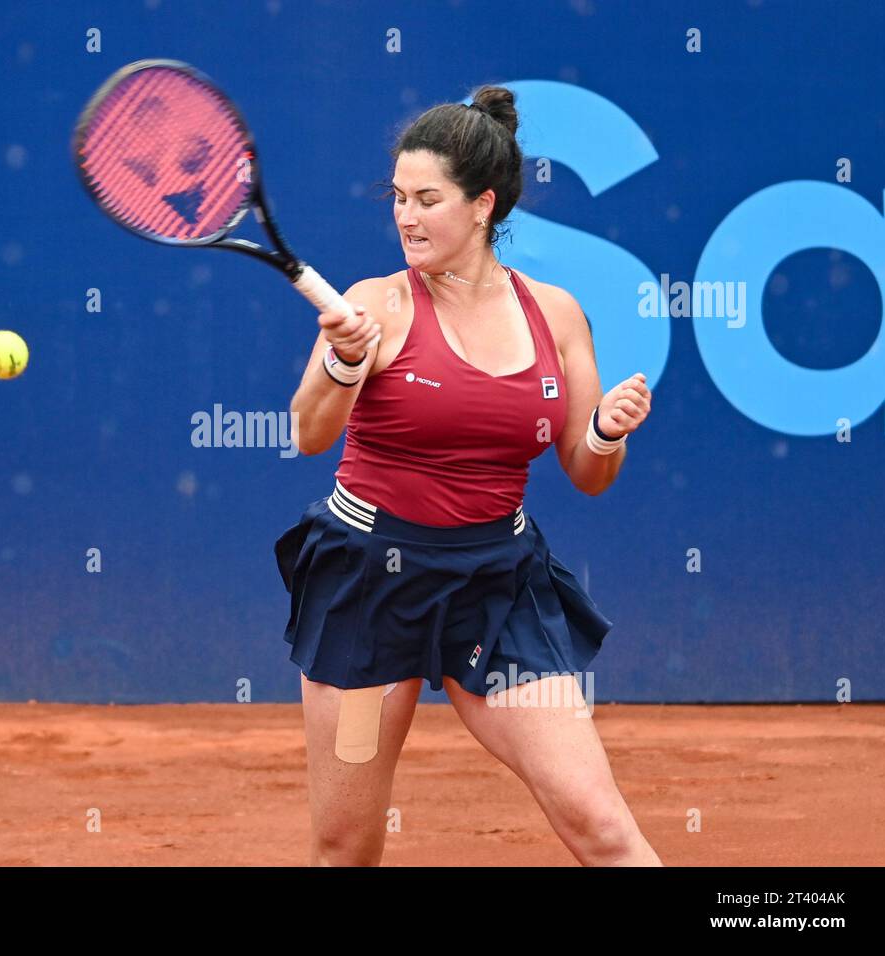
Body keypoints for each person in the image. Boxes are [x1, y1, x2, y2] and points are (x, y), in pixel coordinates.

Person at [274, 85, 659, 867]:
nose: (405, 217)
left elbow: (588, 473)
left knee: (603, 826)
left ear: (483, 205)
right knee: (345, 847)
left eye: (427, 199)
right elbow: (309, 432)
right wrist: (347, 360)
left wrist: (603, 432)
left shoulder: (556, 314)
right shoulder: (374, 303)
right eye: (398, 198)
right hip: (367, 588)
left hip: (500, 587)